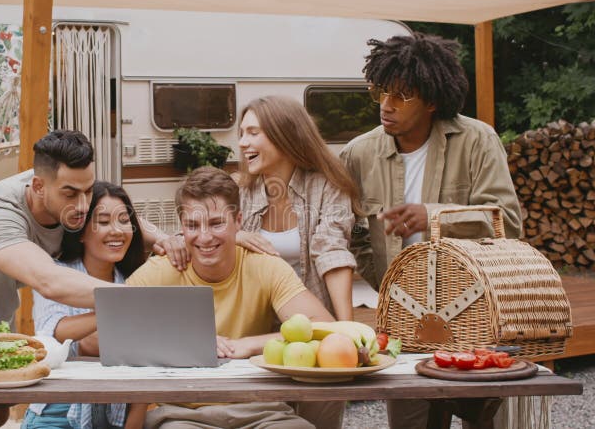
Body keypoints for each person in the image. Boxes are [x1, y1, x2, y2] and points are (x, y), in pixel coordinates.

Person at [0, 130, 168, 429]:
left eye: (88, 191)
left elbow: (115, 211)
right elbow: (49, 281)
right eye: (71, 194)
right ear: (38, 187)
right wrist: (134, 297)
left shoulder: (67, 187)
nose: (83, 205)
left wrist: (164, 239)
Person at [339, 32, 522, 428]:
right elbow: (350, 232)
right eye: (381, 92)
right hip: (405, 319)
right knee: (412, 421)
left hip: (475, 310)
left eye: (402, 96)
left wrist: (435, 216)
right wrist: (389, 283)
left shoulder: (477, 140)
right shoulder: (358, 154)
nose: (386, 105)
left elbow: (508, 221)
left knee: (488, 419)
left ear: (432, 101)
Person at [83, 166, 334, 429]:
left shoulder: (264, 266)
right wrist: (187, 342)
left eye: (216, 223)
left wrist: (247, 345)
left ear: (238, 221)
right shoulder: (162, 270)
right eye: (192, 225)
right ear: (181, 226)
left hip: (260, 411)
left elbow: (325, 327)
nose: (204, 237)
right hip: (181, 415)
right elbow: (91, 340)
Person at [23, 181, 147, 429]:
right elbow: (53, 333)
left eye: (124, 221)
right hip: (56, 410)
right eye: (103, 222)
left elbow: (146, 363)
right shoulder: (55, 274)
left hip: (114, 415)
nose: (117, 231)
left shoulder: (137, 279)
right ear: (80, 232)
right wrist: (117, 305)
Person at [236, 95, 360, 322]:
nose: (243, 143)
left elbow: (332, 251)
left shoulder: (328, 187)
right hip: (256, 323)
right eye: (242, 133)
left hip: (310, 321)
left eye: (253, 133)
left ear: (284, 136)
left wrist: (346, 327)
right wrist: (234, 236)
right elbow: (200, 234)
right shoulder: (239, 190)